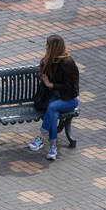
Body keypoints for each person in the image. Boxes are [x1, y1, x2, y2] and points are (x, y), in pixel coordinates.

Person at [28, 34, 79, 162]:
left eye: (48, 45)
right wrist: (44, 66)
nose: (45, 47)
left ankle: (41, 137)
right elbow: (43, 79)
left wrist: (51, 84)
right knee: (53, 114)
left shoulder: (68, 62)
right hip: (54, 96)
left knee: (52, 107)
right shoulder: (49, 60)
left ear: (54, 47)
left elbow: (70, 86)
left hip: (69, 100)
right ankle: (53, 148)